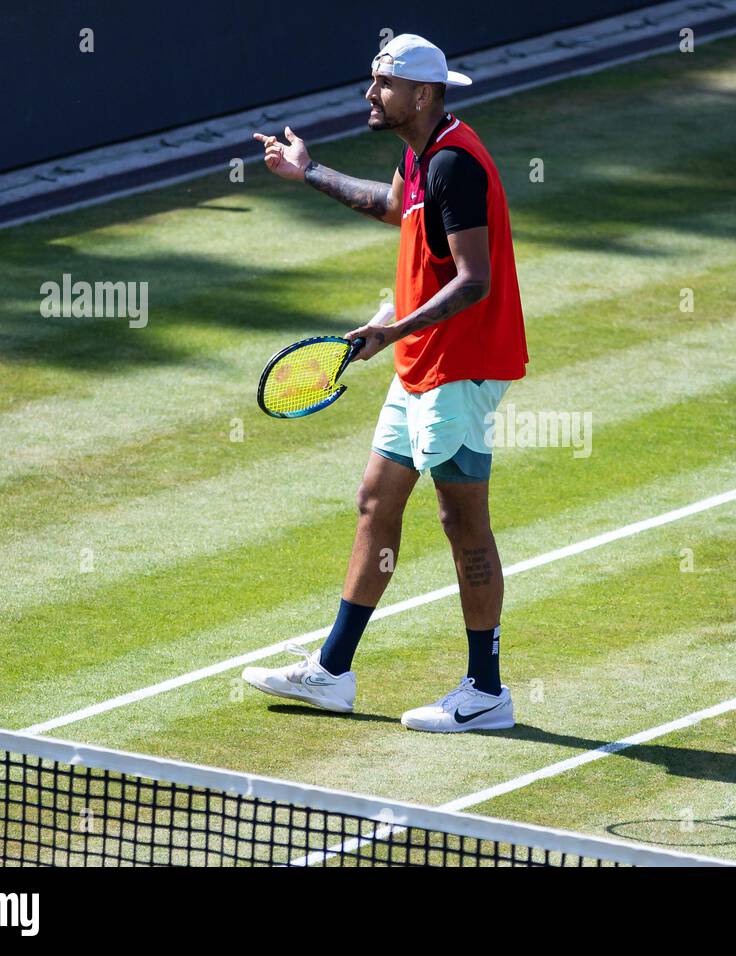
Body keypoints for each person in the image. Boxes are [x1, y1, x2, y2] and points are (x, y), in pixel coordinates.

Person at [242, 34, 527, 733]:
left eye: (384, 84)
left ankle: (486, 690)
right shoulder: (423, 154)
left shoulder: (456, 164)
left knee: (462, 522)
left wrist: (393, 330)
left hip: (458, 368)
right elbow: (391, 206)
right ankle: (333, 673)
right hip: (422, 359)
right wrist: (308, 172)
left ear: (423, 94)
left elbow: (474, 280)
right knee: (377, 500)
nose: (371, 94)